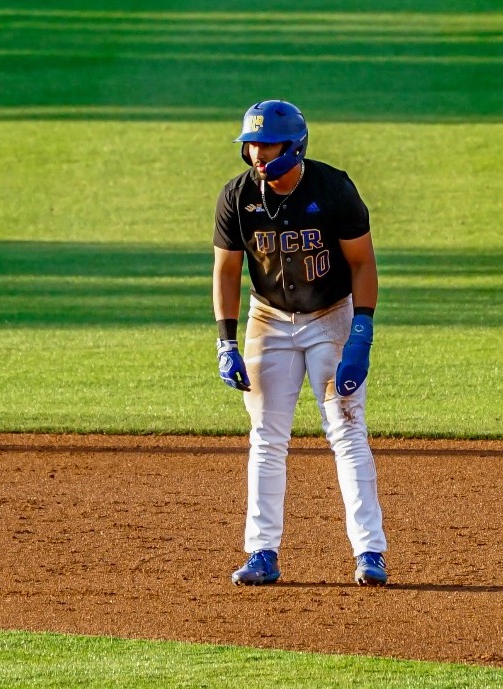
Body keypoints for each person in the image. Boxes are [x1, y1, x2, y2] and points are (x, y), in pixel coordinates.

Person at [211, 100, 388, 586]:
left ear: (295, 146)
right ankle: (262, 552)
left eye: (265, 145)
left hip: (331, 316)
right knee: (266, 437)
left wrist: (361, 333)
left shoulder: (334, 189)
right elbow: (226, 271)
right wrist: (226, 341)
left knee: (346, 428)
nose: (256, 154)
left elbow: (363, 264)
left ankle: (370, 552)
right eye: (250, 145)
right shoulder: (237, 197)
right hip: (267, 318)